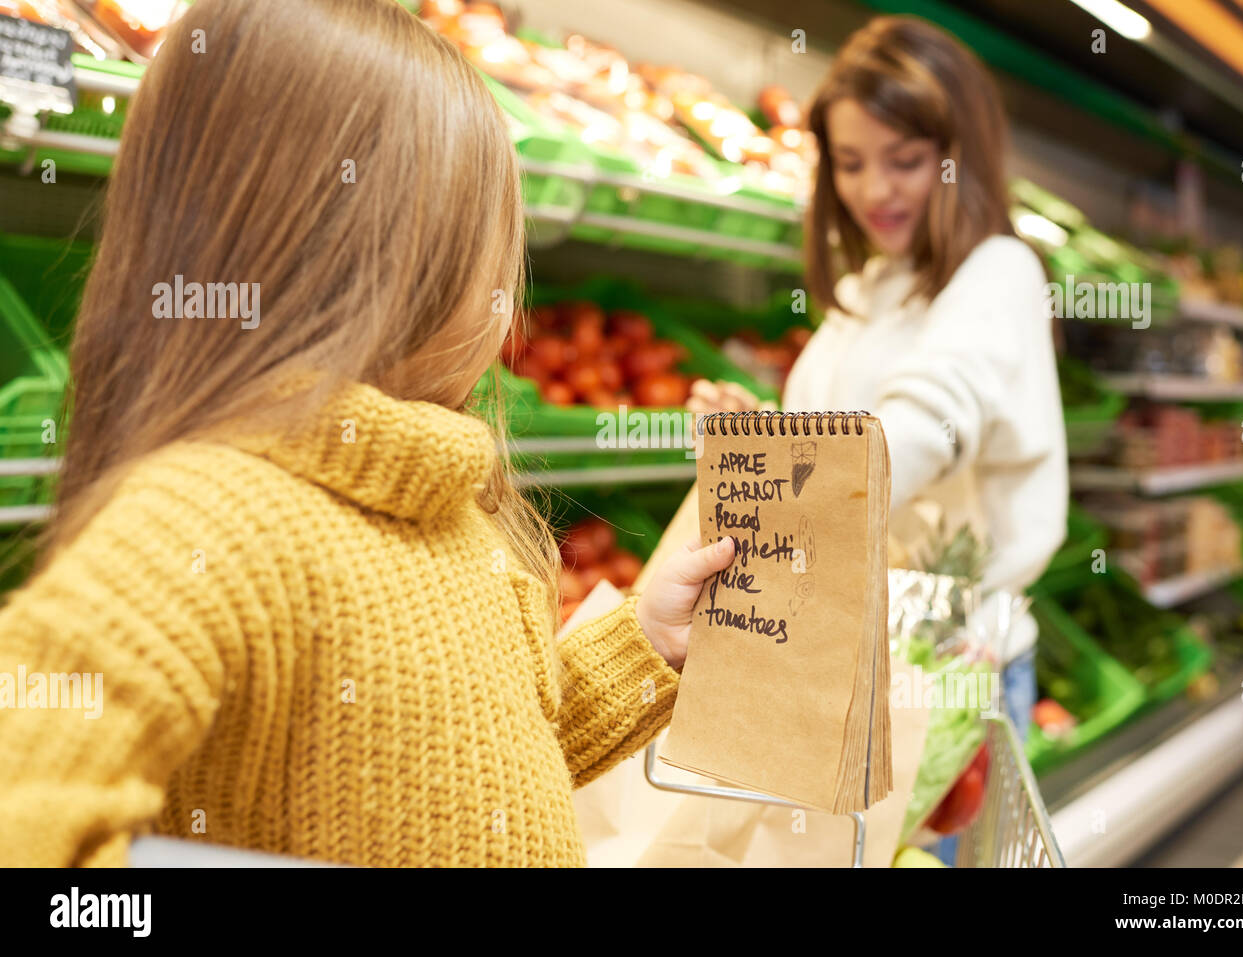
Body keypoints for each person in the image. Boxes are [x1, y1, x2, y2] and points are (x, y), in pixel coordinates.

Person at [0, 0, 735, 867]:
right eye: (496, 246)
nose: (511, 289)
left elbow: (463, 770)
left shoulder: (458, 517)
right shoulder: (211, 521)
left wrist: (643, 642)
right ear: (390, 263)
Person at [690, 15, 1069, 740]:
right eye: (851, 161)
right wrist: (757, 436)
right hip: (842, 651)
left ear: (961, 156)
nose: (875, 189)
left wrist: (771, 497)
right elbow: (842, 434)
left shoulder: (998, 270)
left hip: (946, 667)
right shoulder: (870, 288)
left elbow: (923, 429)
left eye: (905, 159)